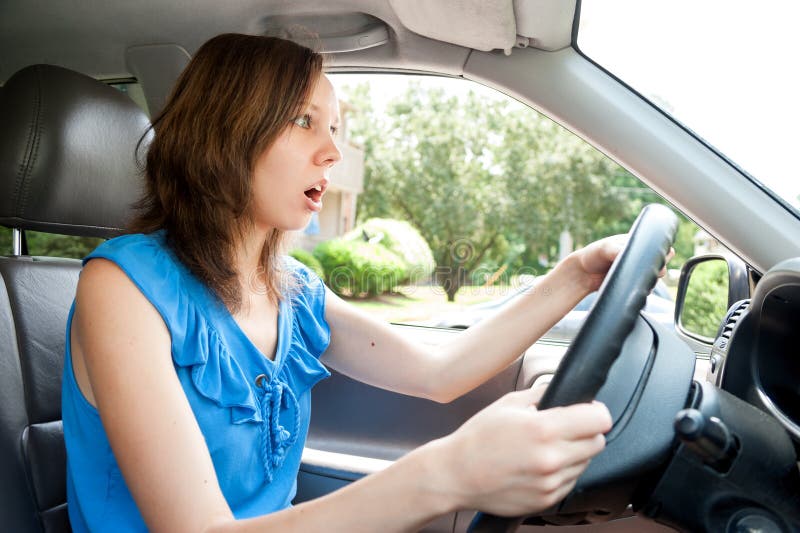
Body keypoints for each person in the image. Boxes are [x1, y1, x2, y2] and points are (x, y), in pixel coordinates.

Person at [63, 33, 640, 532]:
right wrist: (447, 473)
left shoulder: (293, 289)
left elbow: (441, 373)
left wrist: (575, 277)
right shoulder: (123, 287)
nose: (333, 151)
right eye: (304, 120)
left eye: (335, 127)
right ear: (226, 130)